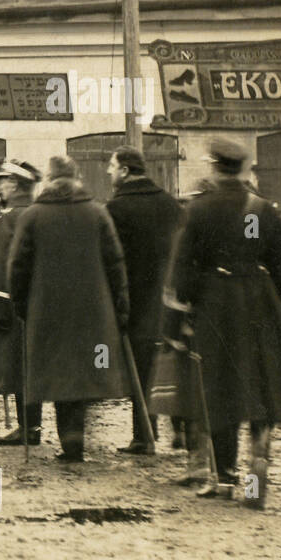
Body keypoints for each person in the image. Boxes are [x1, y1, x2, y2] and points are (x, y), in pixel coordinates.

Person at [164, 138, 281, 506]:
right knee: (259, 379)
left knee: (219, 388)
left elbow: (184, 269)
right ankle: (259, 449)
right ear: (241, 169)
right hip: (259, 300)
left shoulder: (200, 210)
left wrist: (179, 317)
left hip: (216, 305)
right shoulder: (260, 209)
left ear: (213, 166)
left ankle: (224, 480)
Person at [9, 156, 130, 462]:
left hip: (46, 309)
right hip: (93, 309)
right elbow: (116, 264)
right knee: (86, 369)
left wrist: (22, 306)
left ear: (50, 180)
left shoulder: (33, 215)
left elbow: (17, 269)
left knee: (59, 371)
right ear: (76, 178)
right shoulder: (97, 212)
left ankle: (71, 441)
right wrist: (120, 306)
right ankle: (75, 436)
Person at [105, 145, 184, 454]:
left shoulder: (116, 209)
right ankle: (182, 432)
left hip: (134, 298)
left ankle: (144, 436)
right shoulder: (170, 204)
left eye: (112, 166)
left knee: (139, 366)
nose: (108, 171)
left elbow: (113, 258)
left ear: (125, 171)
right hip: (168, 297)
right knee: (172, 363)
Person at [0, 160, 44, 445]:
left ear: (14, 184)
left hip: (10, 303)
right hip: (29, 301)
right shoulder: (33, 212)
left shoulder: (13, 217)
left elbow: (5, 266)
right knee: (25, 366)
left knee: (17, 367)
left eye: (3, 181)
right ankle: (32, 427)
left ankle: (27, 428)